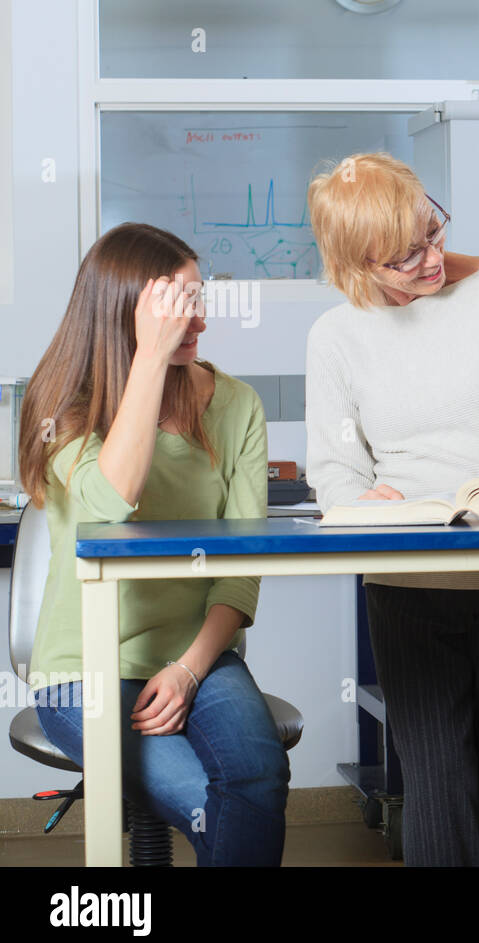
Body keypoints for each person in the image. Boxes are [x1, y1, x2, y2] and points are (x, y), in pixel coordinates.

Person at [304, 152, 479, 866]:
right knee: (438, 782)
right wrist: (361, 502)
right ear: (357, 265)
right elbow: (335, 473)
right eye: (402, 258)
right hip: (409, 588)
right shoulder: (337, 336)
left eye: (432, 232)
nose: (430, 260)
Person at [20, 223, 289, 866]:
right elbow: (112, 501)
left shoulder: (236, 405)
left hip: (197, 653)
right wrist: (147, 358)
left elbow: (240, 567)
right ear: (127, 313)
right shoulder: (63, 405)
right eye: (176, 303)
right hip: (81, 669)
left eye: (200, 299)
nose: (194, 318)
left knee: (257, 779)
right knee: (206, 798)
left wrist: (190, 667)